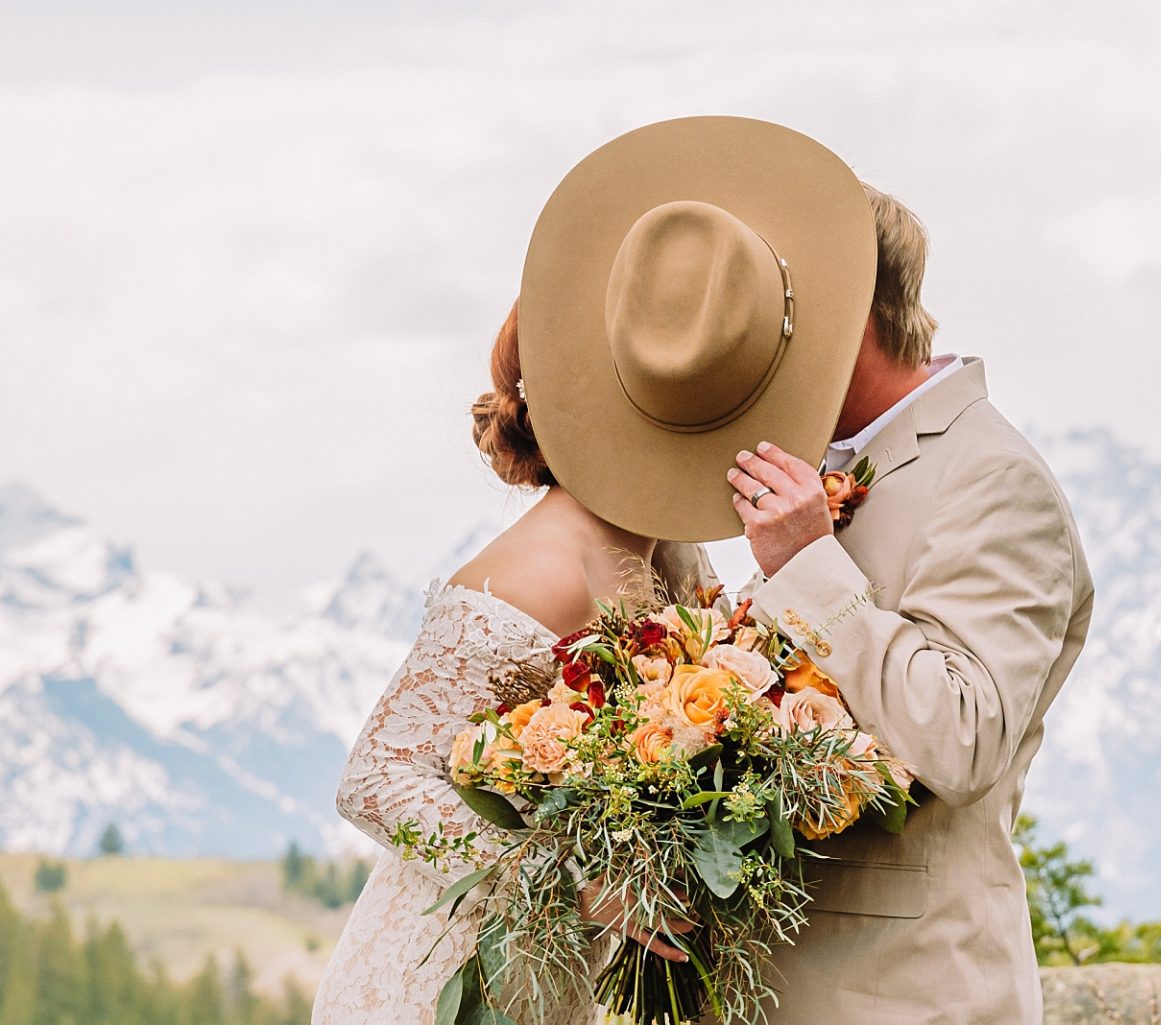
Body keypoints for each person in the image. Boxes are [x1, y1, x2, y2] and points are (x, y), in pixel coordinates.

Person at [312, 116, 881, 1024]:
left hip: (552, 980)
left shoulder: (670, 543)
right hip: (452, 986)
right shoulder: (534, 570)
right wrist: (576, 877)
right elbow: (376, 779)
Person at [723, 183, 1095, 1024]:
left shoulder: (992, 476)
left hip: (908, 997)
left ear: (840, 312)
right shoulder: (824, 465)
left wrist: (809, 563)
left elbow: (962, 737)